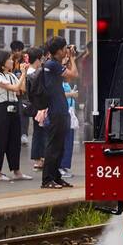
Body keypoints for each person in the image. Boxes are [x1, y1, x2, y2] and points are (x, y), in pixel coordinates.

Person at [38, 37, 78, 188]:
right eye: (65, 48)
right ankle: (47, 179)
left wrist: (68, 58)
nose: (66, 50)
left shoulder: (53, 64)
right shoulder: (52, 64)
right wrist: (73, 58)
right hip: (56, 110)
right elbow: (73, 74)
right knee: (54, 146)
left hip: (61, 108)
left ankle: (56, 177)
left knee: (60, 145)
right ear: (59, 50)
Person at [0, 50, 30, 181]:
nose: (12, 61)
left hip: (13, 109)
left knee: (14, 141)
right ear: (2, 64)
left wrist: (24, 74)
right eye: (9, 60)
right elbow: (15, 88)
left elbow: (22, 88)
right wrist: (23, 73)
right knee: (0, 142)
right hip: (1, 111)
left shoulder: (11, 75)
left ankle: (16, 171)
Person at [24, 46, 47, 170]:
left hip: (34, 106)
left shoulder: (28, 72)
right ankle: (38, 160)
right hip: (38, 107)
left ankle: (40, 158)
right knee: (39, 132)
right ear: (38, 59)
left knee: (39, 131)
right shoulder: (35, 73)